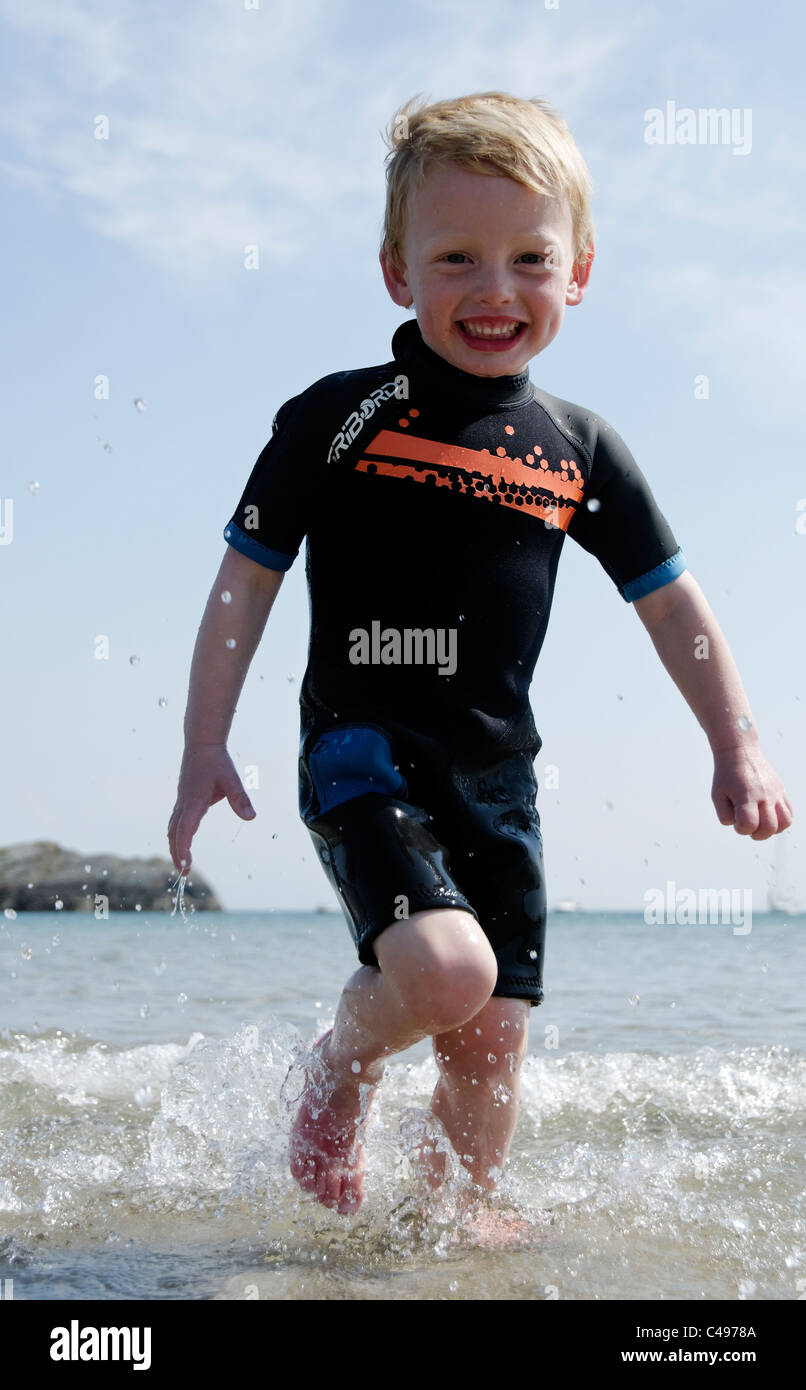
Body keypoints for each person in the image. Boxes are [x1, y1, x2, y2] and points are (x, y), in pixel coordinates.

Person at [167, 91, 793, 1218]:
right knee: (450, 972)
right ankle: (342, 1062)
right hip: (361, 754)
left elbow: (669, 604)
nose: (495, 288)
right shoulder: (337, 418)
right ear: (395, 272)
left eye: (529, 259)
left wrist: (734, 741)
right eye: (456, 257)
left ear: (578, 272)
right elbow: (244, 580)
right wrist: (202, 742)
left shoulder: (579, 447)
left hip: (499, 775)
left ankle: (457, 1225)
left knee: (493, 1032)